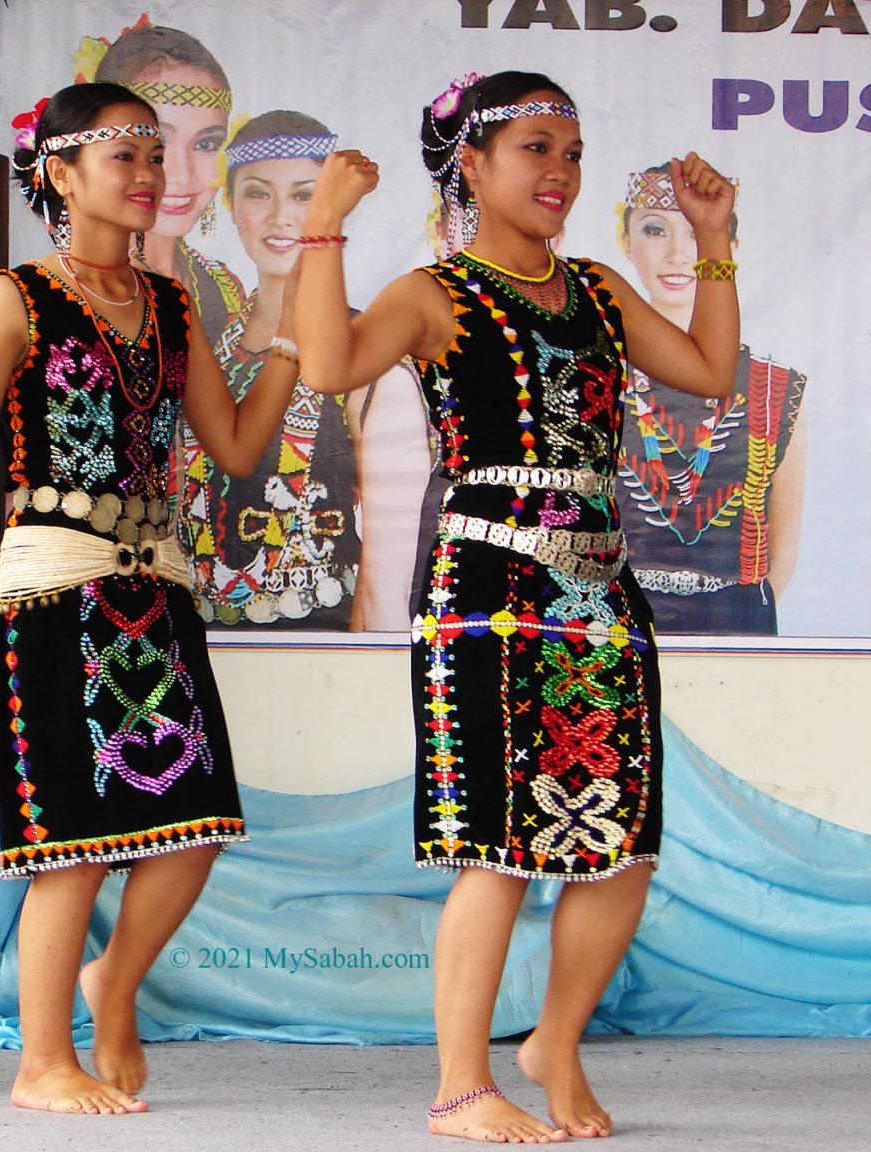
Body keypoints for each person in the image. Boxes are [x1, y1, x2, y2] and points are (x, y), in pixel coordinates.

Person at [294, 72, 739, 1141]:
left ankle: (554, 1044)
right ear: (474, 165)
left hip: (600, 593)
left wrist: (715, 240)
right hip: (486, 592)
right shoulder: (434, 292)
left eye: (573, 152)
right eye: (537, 148)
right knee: (497, 845)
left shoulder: (595, 287)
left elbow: (713, 369)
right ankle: (460, 1085)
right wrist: (321, 230)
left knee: (622, 847)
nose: (560, 173)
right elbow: (325, 360)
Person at [0, 81, 297, 1114]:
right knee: (69, 844)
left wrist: (287, 331)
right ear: (61, 176)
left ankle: (111, 983)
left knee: (197, 822)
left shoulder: (170, 305)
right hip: (53, 587)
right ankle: (41, 1063)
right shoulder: (15, 298)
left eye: (157, 156)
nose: (152, 176)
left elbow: (241, 445)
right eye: (126, 155)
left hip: (155, 585)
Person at [179, 110, 362, 629]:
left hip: (325, 631)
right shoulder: (206, 343)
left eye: (304, 196)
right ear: (231, 205)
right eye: (259, 194)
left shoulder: (361, 343)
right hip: (198, 630)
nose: (282, 216)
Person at [615, 165, 806, 634]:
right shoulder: (593, 375)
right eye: (656, 230)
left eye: (697, 234)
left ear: (729, 250)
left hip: (737, 628)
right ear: (625, 242)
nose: (679, 255)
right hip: (613, 625)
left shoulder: (774, 385)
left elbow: (781, 556)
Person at [89, 21, 245, 342]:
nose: (182, 174)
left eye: (205, 144)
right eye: (159, 142)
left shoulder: (223, 286)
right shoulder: (69, 289)